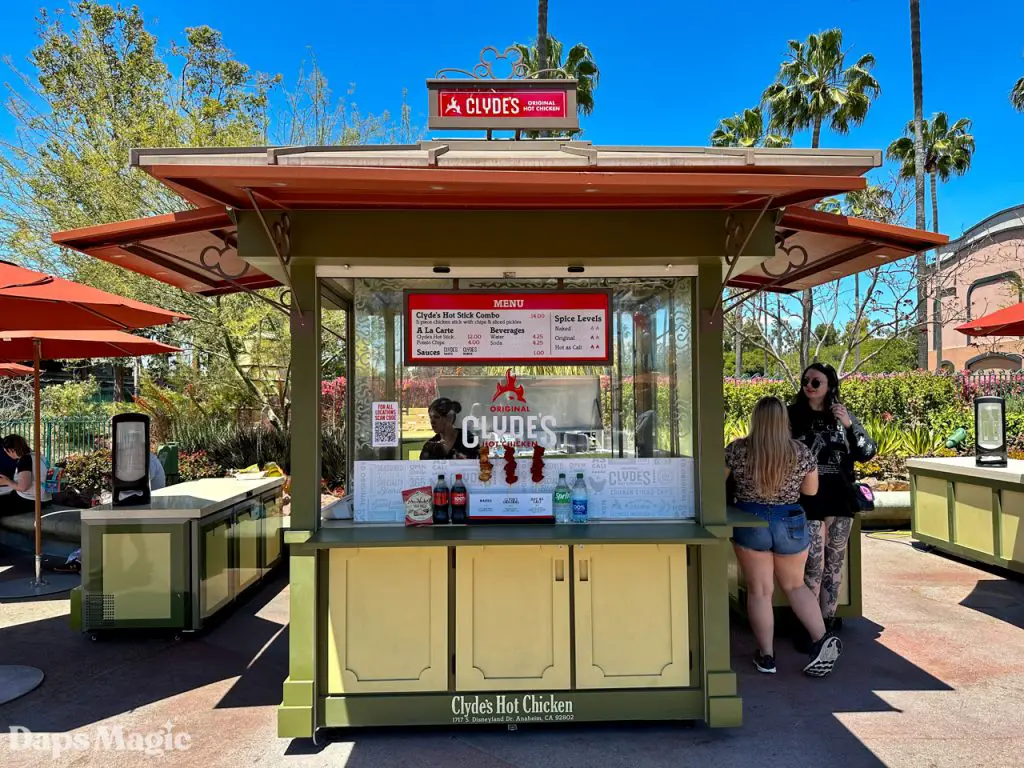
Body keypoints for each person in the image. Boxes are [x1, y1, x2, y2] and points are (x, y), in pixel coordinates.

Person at [726, 396, 842, 677]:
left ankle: (767, 657)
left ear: (756, 419)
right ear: (783, 421)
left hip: (749, 519)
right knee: (795, 586)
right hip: (790, 520)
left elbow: (715, 481)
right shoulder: (801, 452)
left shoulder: (737, 449)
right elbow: (811, 492)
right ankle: (822, 639)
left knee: (760, 591)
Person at [789, 363, 877, 635]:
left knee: (835, 565)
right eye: (806, 380)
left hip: (840, 497)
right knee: (813, 566)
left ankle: (827, 623)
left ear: (830, 386)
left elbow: (867, 452)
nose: (809, 385)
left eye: (816, 382)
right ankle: (810, 627)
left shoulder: (843, 417)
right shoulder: (791, 416)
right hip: (808, 499)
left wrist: (850, 425)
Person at [0, 434, 53, 516]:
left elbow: (23, 487)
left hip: (31, 500)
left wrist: (7, 481)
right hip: (44, 497)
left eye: (6, 452)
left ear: (11, 450)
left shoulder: (24, 460)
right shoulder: (37, 455)